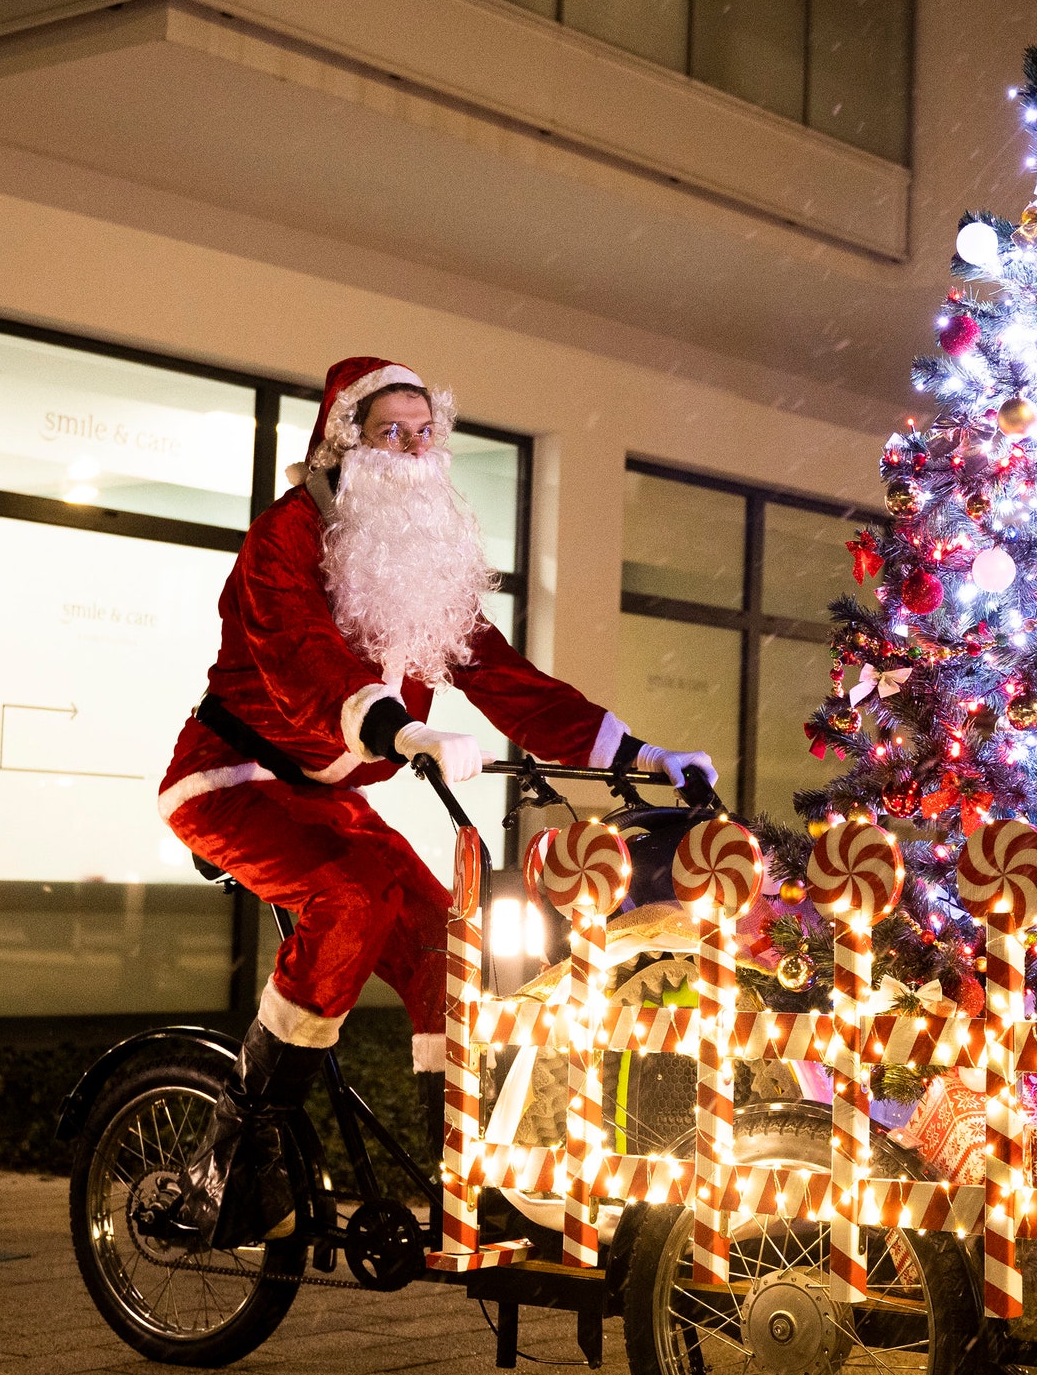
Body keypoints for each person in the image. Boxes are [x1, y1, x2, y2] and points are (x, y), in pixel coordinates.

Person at [156, 356, 714, 1248]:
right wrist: (394, 729)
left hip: (329, 801)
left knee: (449, 944)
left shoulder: (421, 566)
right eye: (393, 434)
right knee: (348, 903)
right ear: (346, 446)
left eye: (428, 434)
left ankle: (471, 1182)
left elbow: (505, 679)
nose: (417, 451)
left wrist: (639, 754)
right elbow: (297, 657)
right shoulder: (288, 538)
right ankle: (238, 1155)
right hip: (230, 782)